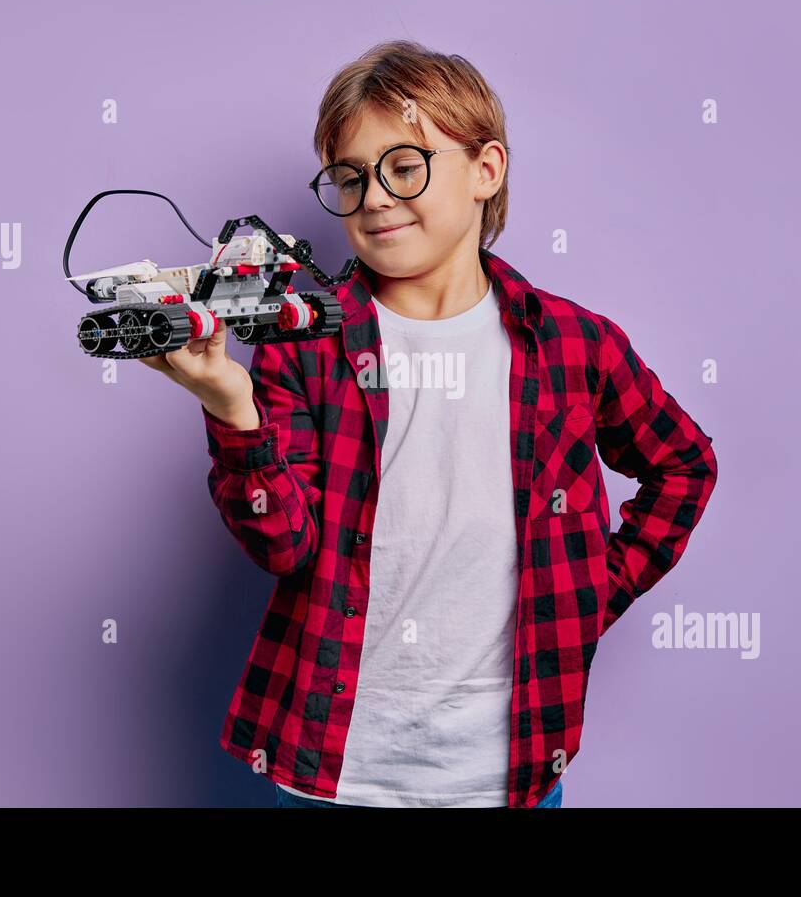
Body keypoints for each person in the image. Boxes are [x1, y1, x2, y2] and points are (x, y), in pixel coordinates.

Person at [142, 40, 718, 808]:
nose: (374, 197)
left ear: (486, 170)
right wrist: (229, 404)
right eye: (349, 178)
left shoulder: (574, 347)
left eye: (405, 166)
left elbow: (684, 466)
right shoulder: (304, 343)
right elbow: (283, 545)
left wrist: (592, 591)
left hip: (505, 774)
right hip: (328, 774)